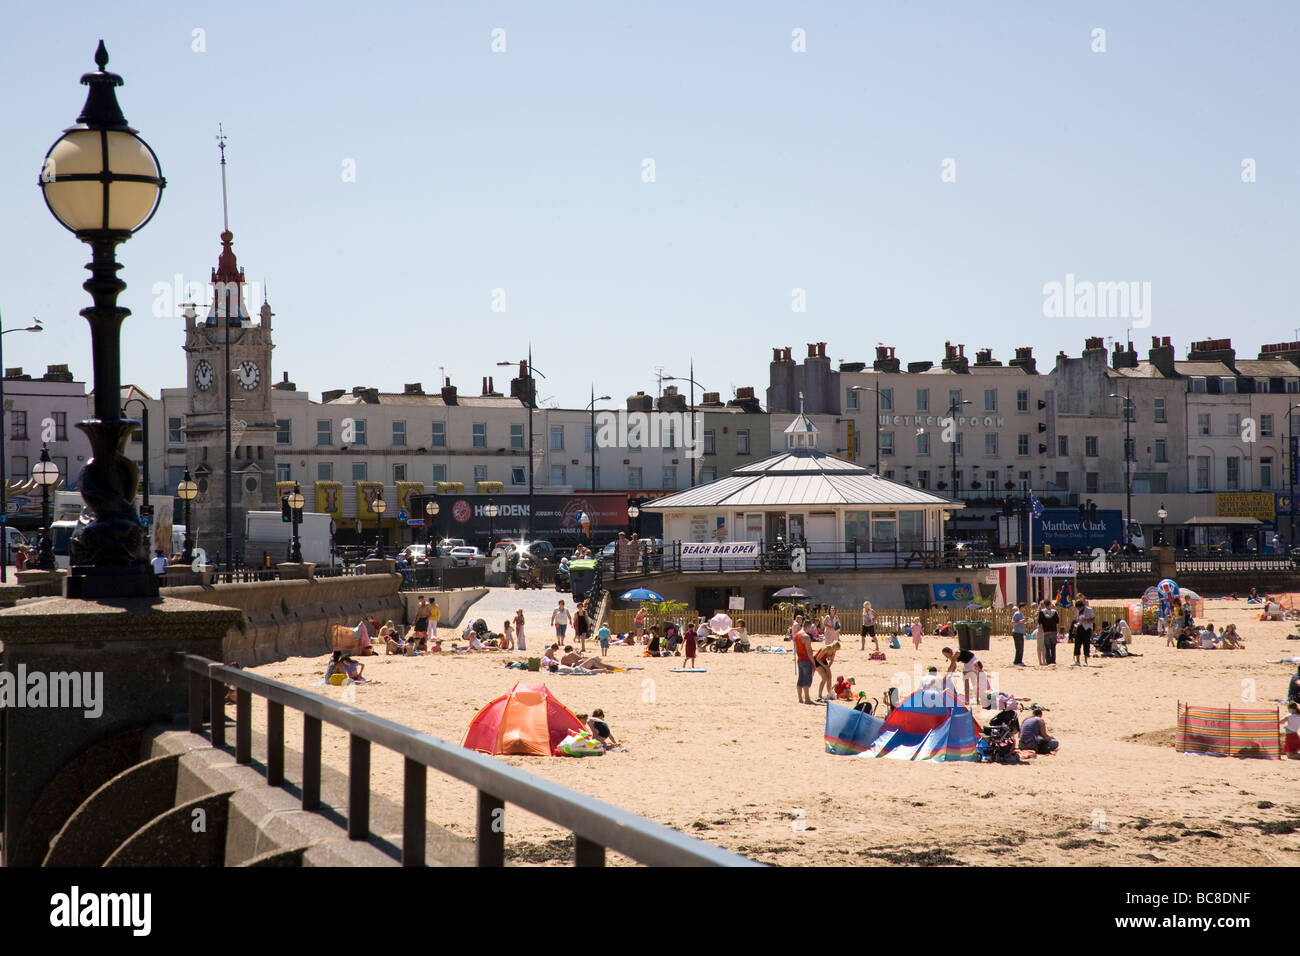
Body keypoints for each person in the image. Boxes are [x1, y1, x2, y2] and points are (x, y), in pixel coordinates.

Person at [793, 618, 815, 704]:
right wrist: (813, 662)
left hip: (800, 659)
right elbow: (809, 651)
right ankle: (807, 698)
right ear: (808, 626)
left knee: (800, 678)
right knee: (806, 679)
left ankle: (800, 698)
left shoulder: (797, 634)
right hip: (806, 659)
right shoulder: (806, 636)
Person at [1072, 598, 1094, 666]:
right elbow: (1077, 620)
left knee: (1086, 645)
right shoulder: (1077, 610)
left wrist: (1086, 620)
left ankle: (1085, 661)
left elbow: (1093, 619)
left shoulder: (1089, 610)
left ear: (1082, 606)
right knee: (1077, 645)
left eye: (1079, 608)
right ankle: (1077, 661)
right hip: (1079, 628)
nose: (1078, 609)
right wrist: (1075, 627)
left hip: (1087, 629)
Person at [1037, 599, 1059, 666]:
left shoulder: (1041, 612)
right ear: (1050, 604)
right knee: (1053, 647)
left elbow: (1039, 622)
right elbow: (1057, 621)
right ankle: (1053, 660)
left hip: (1046, 631)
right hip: (1053, 631)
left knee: (1047, 647)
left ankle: (1048, 661)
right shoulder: (1054, 612)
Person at [1010, 602, 1027, 667]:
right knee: (1018, 648)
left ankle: (1019, 661)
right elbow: (1012, 623)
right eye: (1024, 607)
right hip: (1016, 632)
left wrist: (1025, 622)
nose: (1025, 609)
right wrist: (1021, 621)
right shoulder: (1017, 614)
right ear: (1021, 607)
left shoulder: (1021, 614)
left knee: (1021, 648)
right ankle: (1017, 661)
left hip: (1020, 632)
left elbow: (1021, 622)